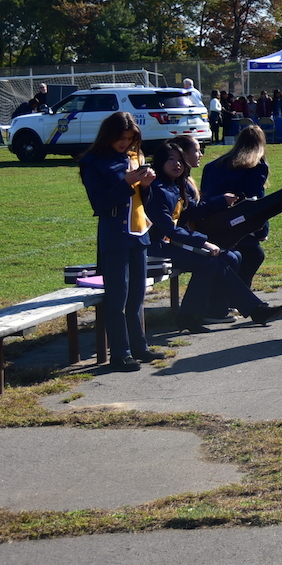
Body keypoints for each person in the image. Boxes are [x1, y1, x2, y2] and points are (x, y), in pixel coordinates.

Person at [147, 140, 282, 334]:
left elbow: (192, 212)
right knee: (211, 262)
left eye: (179, 160)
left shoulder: (174, 186)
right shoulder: (158, 189)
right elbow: (168, 229)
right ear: (160, 163)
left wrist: (221, 202)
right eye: (170, 160)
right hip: (154, 248)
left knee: (217, 260)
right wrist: (204, 242)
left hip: (172, 244)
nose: (177, 164)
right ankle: (246, 310)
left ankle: (199, 314)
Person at [78, 112, 159, 371]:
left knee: (137, 297)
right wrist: (126, 183)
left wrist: (146, 185)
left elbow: (145, 201)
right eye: (120, 138)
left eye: (130, 138)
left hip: (139, 234)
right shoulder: (93, 162)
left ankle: (139, 347)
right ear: (108, 135)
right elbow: (99, 204)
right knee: (117, 298)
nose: (125, 143)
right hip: (114, 235)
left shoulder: (134, 157)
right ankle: (120, 354)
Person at [201, 125, 272, 287]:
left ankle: (231, 297)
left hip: (210, 220)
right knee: (254, 255)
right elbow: (258, 203)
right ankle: (239, 296)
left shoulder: (213, 165)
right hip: (236, 223)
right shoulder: (256, 167)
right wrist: (262, 231)